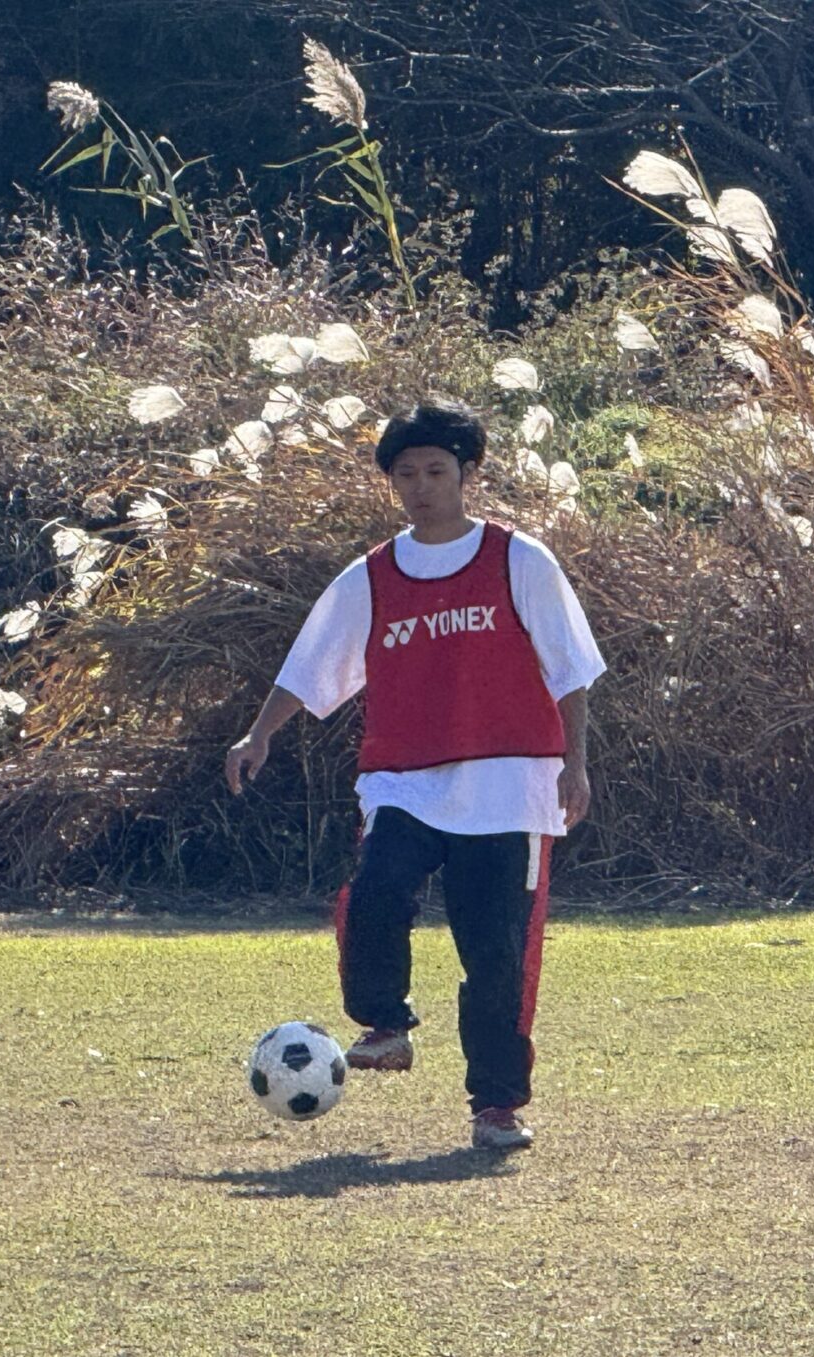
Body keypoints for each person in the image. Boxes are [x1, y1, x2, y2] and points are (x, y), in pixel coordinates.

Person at [226, 399, 605, 1150]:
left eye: (437, 470)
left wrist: (575, 762)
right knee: (374, 888)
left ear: (468, 473)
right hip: (405, 779)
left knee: (495, 953)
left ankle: (496, 1104)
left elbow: (571, 672)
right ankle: (384, 1022)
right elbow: (310, 665)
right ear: (393, 483)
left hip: (509, 781)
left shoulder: (518, 559)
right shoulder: (372, 576)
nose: (423, 485)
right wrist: (259, 731)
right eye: (407, 474)